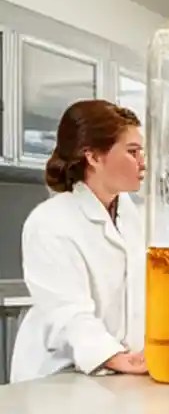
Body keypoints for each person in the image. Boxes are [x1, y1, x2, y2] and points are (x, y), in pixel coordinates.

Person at [10, 100, 148, 382]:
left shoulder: (129, 213)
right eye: (132, 152)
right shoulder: (50, 222)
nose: (142, 162)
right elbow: (67, 311)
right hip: (56, 374)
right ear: (93, 157)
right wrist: (113, 356)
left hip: (112, 370)